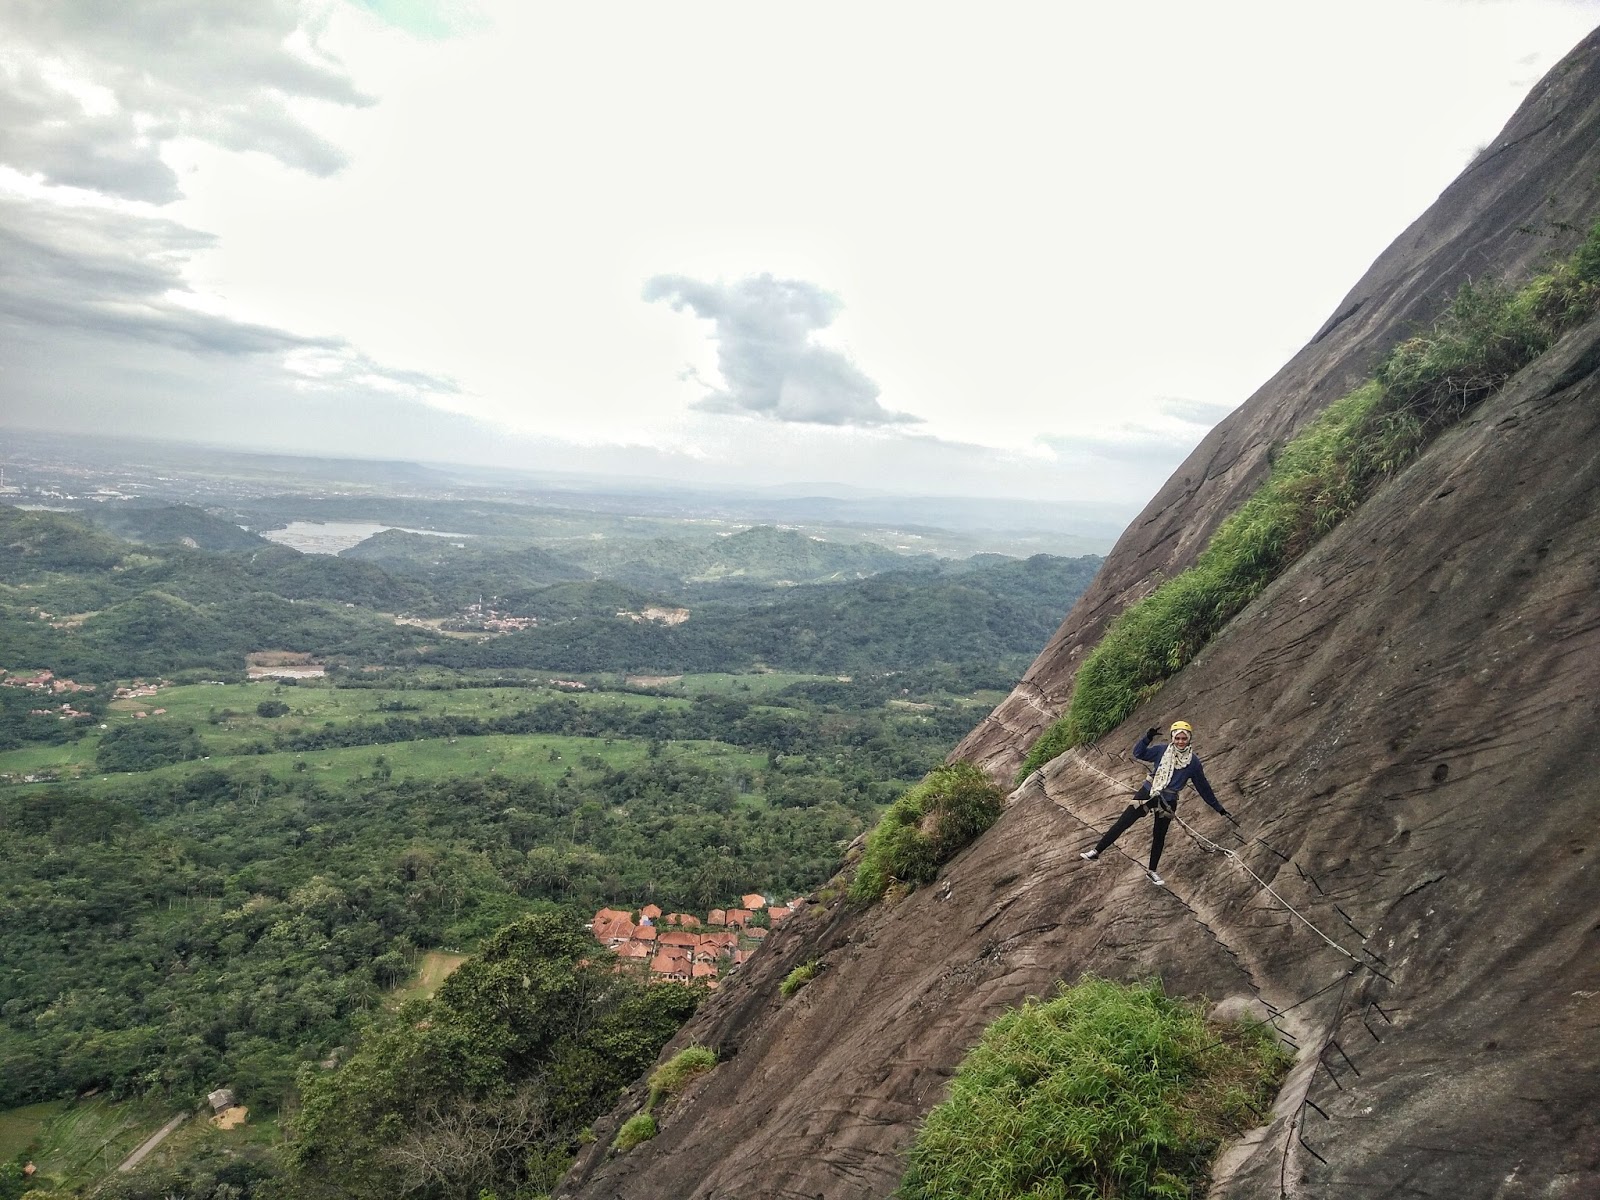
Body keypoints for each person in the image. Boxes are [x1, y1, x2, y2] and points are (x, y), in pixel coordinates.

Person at [1079, 720, 1230, 886]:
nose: (1180, 741)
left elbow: (1203, 787)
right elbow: (1138, 753)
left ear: (1189, 739)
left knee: (1159, 836)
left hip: (1168, 801)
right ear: (1172, 738)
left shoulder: (1193, 762)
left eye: (1183, 738)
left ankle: (1152, 871)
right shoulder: (1161, 750)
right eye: (1177, 738)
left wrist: (1218, 807)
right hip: (1148, 792)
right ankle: (1096, 851)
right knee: (1123, 822)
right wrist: (1147, 738)